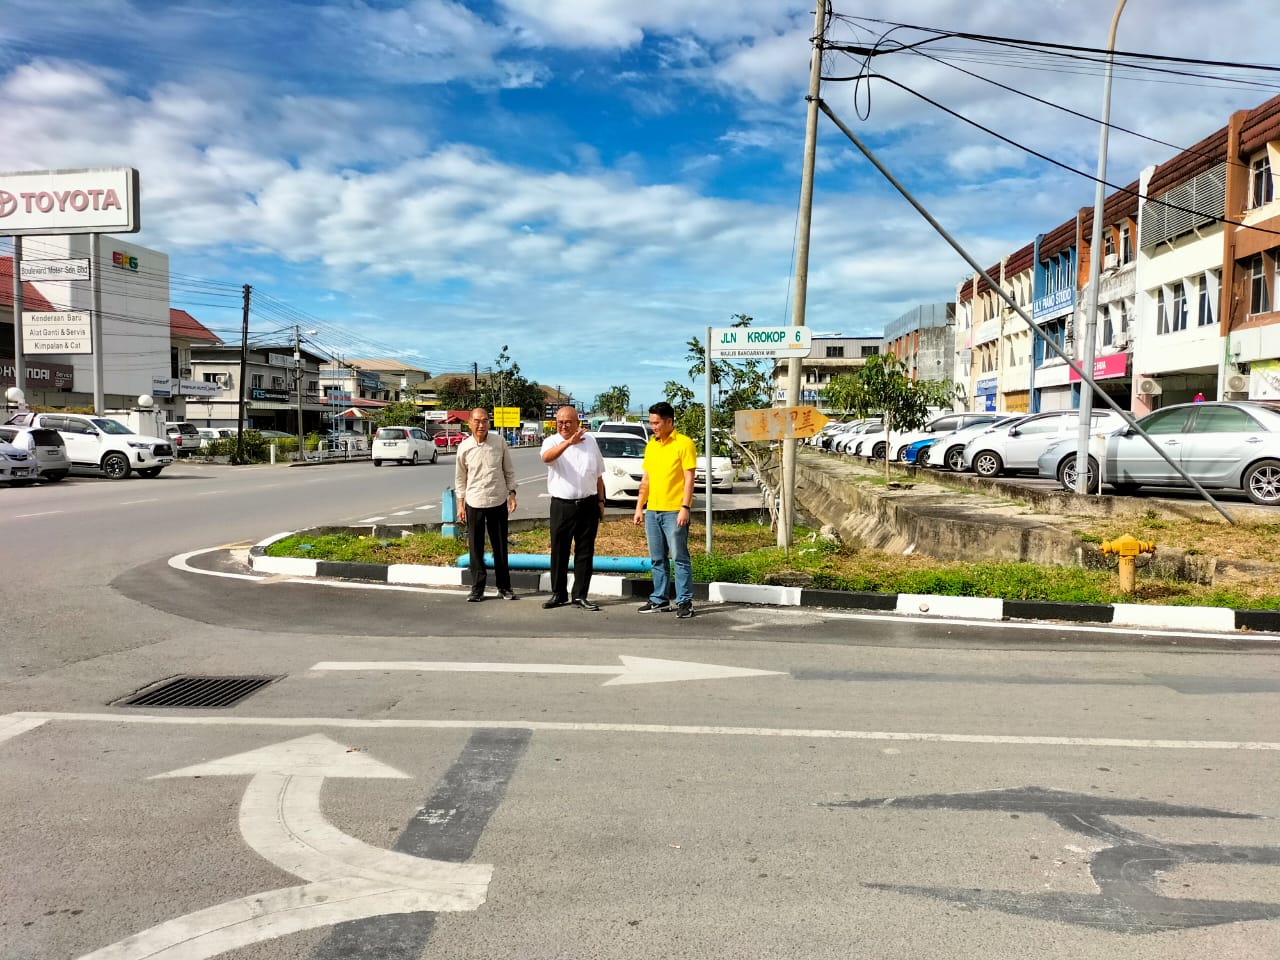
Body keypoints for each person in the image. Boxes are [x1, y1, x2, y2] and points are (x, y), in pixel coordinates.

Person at [632, 401, 697, 619]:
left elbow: (689, 478)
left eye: (656, 422)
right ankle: (659, 599)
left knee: (680, 557)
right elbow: (647, 478)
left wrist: (685, 507)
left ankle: (684, 601)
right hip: (653, 511)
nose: (653, 427)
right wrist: (639, 507)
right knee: (657, 558)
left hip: (674, 511)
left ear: (669, 421)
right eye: (651, 422)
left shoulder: (684, 443)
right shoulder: (652, 444)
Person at [540, 406, 606, 611]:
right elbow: (547, 458)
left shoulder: (591, 442)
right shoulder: (551, 442)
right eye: (560, 422)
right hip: (562, 505)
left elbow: (598, 475)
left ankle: (580, 595)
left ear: (578, 422)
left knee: (585, 552)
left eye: (568, 422)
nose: (563, 425)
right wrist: (568, 442)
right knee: (559, 551)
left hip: (588, 504)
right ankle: (558, 594)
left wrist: (601, 502)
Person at [455, 408, 517, 601]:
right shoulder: (464, 447)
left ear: (489, 423)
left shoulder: (499, 442)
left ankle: (504, 587)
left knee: (500, 547)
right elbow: (460, 479)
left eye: (484, 421)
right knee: (475, 548)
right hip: (474, 502)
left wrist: (512, 494)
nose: (481, 425)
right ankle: (477, 588)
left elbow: (509, 470)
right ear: (470, 423)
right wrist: (460, 504)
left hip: (497, 500)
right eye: (477, 421)